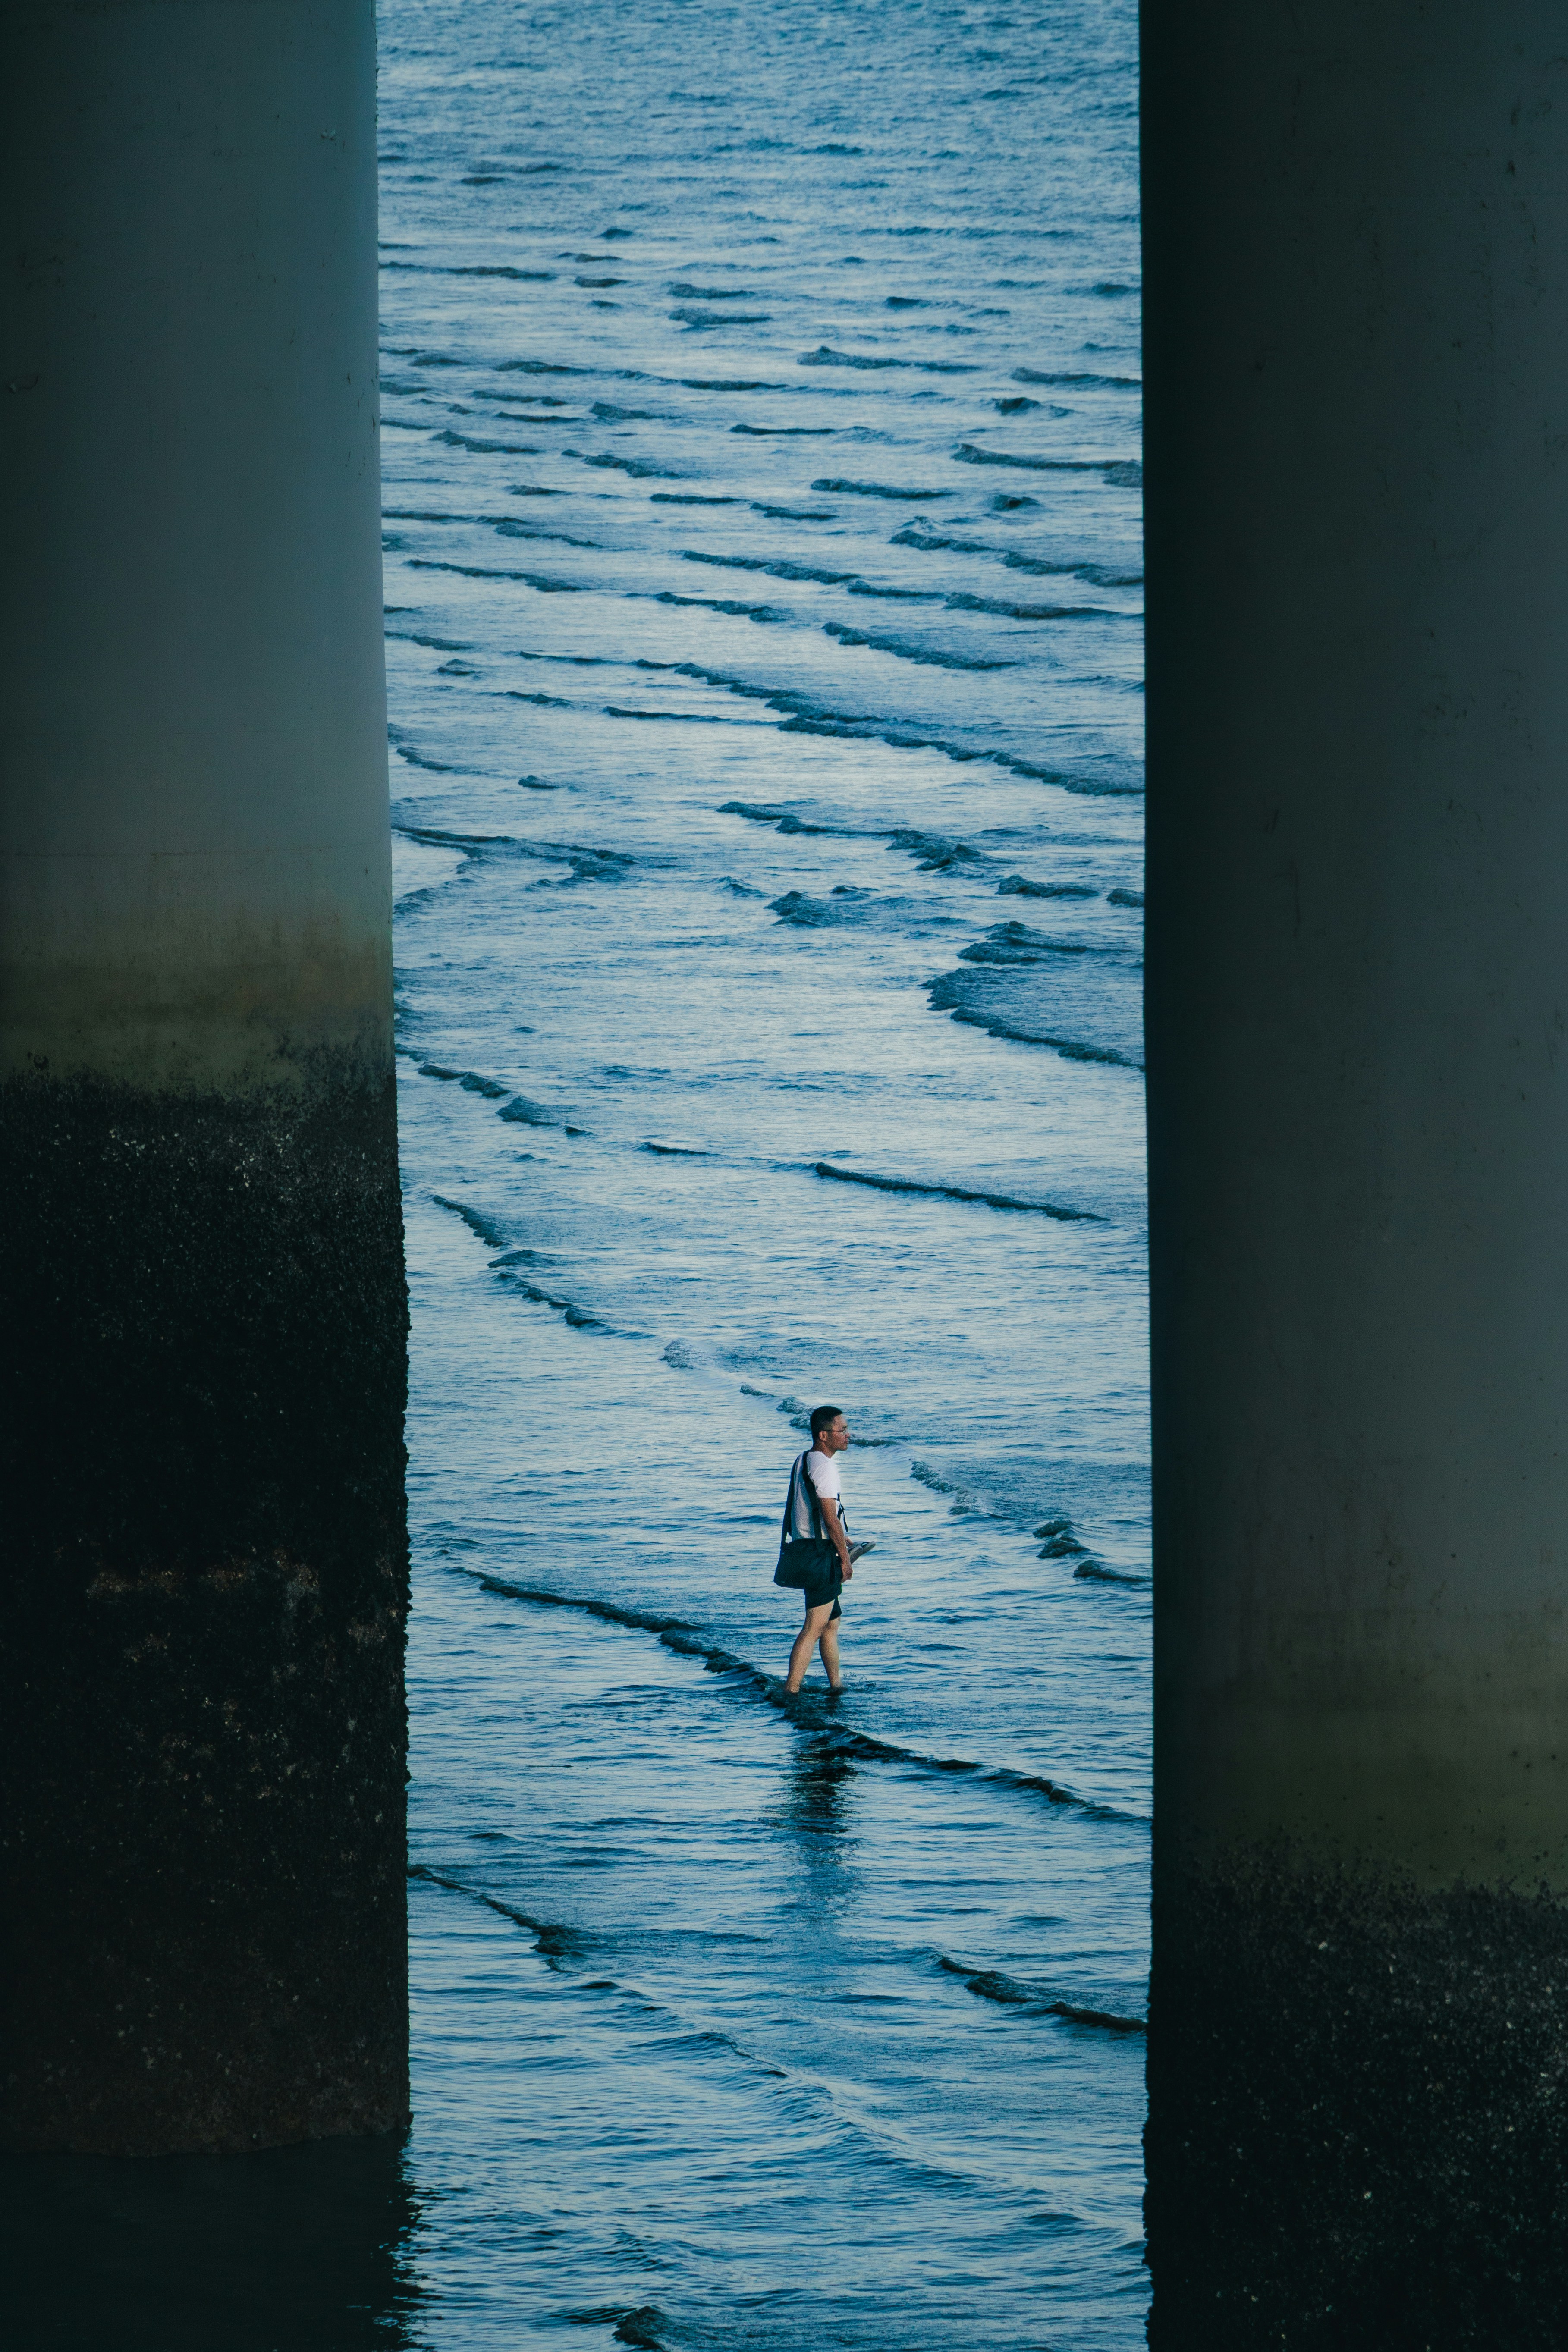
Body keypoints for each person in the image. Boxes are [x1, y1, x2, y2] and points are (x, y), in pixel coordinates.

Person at [782, 1404, 874, 1693]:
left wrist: (843, 1540)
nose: (848, 1435)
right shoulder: (824, 1466)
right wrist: (846, 1560)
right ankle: (791, 1691)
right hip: (819, 1555)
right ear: (824, 1434)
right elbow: (829, 1517)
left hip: (808, 1548)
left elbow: (808, 1512)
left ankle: (836, 1685)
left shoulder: (804, 1459)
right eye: (842, 1430)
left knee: (831, 1624)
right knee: (813, 1627)